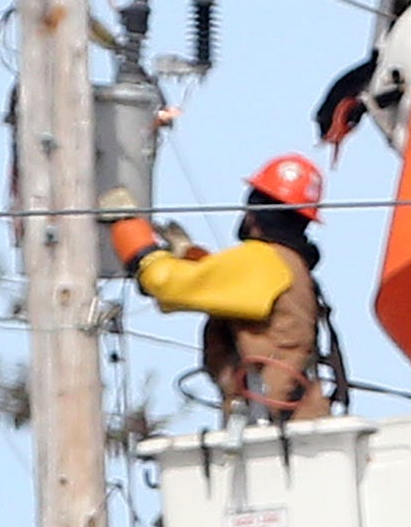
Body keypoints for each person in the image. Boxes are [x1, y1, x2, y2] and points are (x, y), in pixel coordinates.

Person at [101, 154, 338, 424]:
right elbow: (233, 289)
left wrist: (128, 230)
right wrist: (192, 259)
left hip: (273, 428)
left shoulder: (263, 260)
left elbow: (163, 283)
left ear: (252, 213)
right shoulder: (288, 265)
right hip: (291, 420)